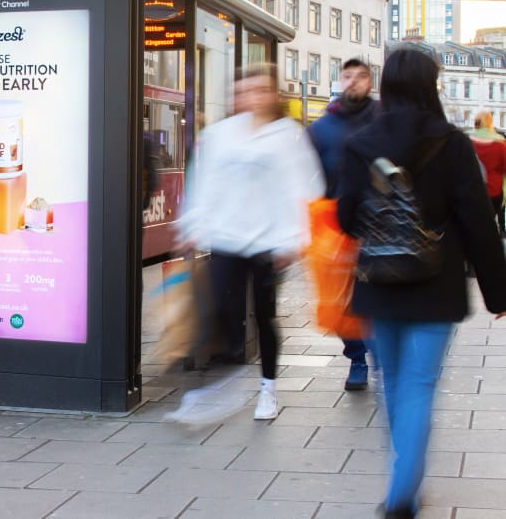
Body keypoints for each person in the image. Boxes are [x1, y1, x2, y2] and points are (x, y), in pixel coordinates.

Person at [337, 48, 506, 519]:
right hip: (437, 285)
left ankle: (403, 482)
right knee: (420, 385)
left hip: (380, 284)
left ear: (387, 85)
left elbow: (346, 218)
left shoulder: (362, 141)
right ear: (431, 85)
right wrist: (498, 291)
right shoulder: (452, 144)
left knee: (393, 382)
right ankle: (403, 491)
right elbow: (478, 223)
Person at [178, 63, 325, 420]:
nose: (251, 97)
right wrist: (192, 225)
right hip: (227, 236)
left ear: (273, 94)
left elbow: (305, 187)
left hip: (269, 242)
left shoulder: (287, 136)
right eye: (244, 91)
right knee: (221, 310)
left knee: (264, 315)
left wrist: (294, 240)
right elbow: (204, 182)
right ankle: (224, 382)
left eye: (259, 90)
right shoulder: (222, 134)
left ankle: (268, 388)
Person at [307, 58, 377, 392]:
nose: (353, 82)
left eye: (361, 76)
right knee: (342, 302)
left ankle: (377, 353)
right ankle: (357, 358)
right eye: (347, 76)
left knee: (377, 293)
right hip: (335, 226)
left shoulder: (383, 120)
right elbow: (307, 178)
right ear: (339, 80)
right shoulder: (321, 129)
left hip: (381, 224)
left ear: (370, 83)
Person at [468, 110, 506, 238]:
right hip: (493, 193)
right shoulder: (500, 145)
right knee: (487, 225)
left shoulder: (465, 141)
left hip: (470, 193)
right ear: (490, 123)